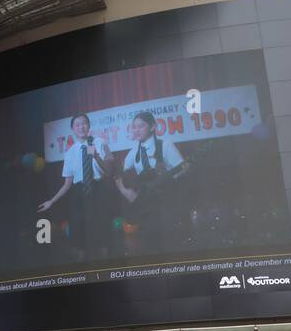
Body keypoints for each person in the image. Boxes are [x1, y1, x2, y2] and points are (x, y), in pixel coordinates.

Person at [38, 113, 113, 259]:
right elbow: (67, 184)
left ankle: (105, 260)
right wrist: (52, 201)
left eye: (84, 123)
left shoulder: (100, 142)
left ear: (89, 126)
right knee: (78, 227)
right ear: (73, 128)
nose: (81, 127)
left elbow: (110, 171)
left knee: (101, 225)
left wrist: (96, 156)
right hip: (79, 192)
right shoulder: (70, 152)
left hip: (99, 188)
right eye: (77, 124)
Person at [116, 110, 187, 253]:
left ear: (153, 127)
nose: (137, 130)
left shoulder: (165, 145)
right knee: (149, 245)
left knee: (169, 244)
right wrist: (126, 192)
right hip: (144, 206)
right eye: (134, 127)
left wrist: (168, 179)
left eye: (141, 126)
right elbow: (119, 173)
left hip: (166, 202)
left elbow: (183, 169)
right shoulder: (134, 149)